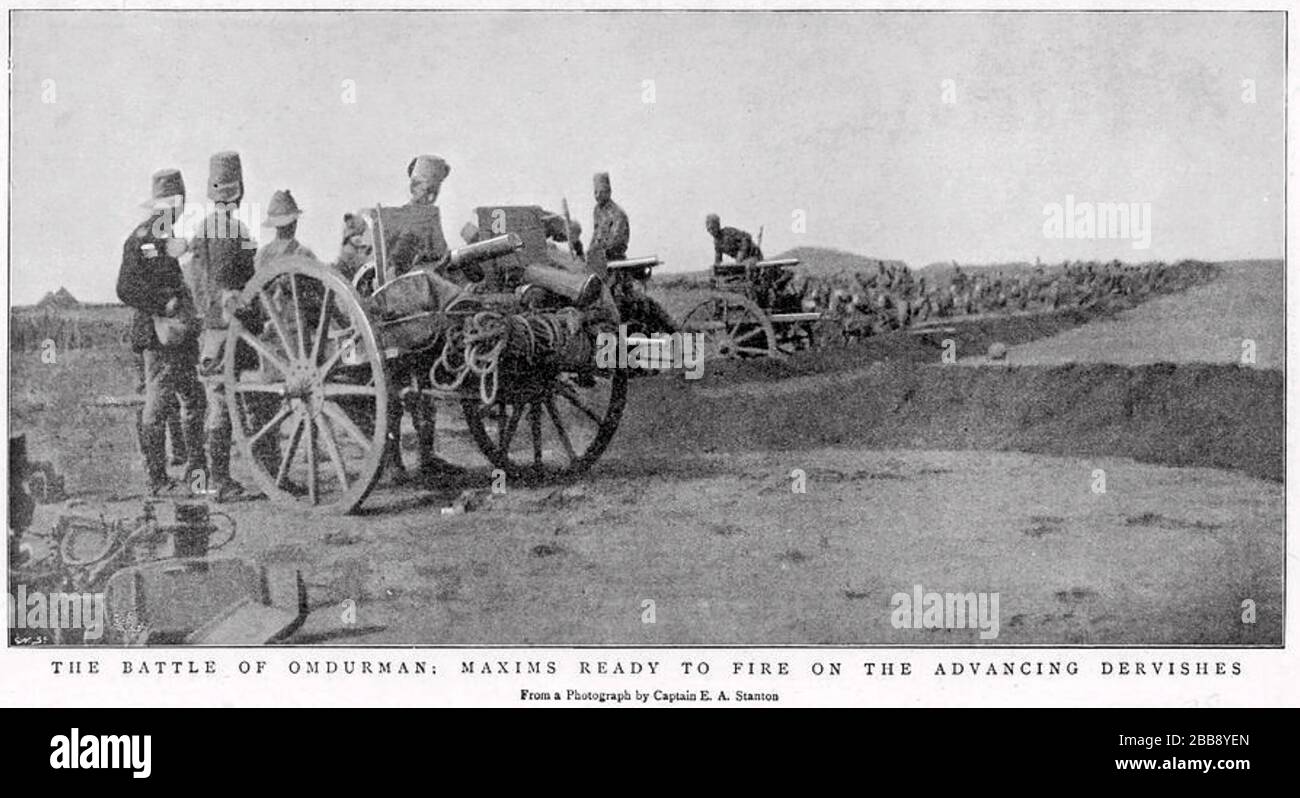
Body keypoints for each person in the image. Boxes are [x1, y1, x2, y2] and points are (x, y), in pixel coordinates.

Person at [116, 168, 206, 495]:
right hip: (158, 336)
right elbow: (125, 287)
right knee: (158, 404)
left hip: (177, 337)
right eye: (173, 204)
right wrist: (162, 303)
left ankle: (195, 469)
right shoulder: (144, 239)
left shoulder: (164, 236)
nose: (177, 209)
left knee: (194, 398)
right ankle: (156, 479)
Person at [190, 151, 262, 502]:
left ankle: (222, 479)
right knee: (226, 402)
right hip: (229, 330)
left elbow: (200, 285)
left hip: (216, 330)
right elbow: (243, 284)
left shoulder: (205, 230)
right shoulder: (233, 231)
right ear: (239, 191)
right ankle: (220, 482)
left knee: (221, 402)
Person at [589, 172, 629, 262]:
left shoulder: (618, 213)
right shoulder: (597, 210)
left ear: (609, 192)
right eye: (595, 192)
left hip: (614, 257)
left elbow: (616, 240)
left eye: (601, 192)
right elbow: (595, 234)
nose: (597, 195)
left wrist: (599, 250)